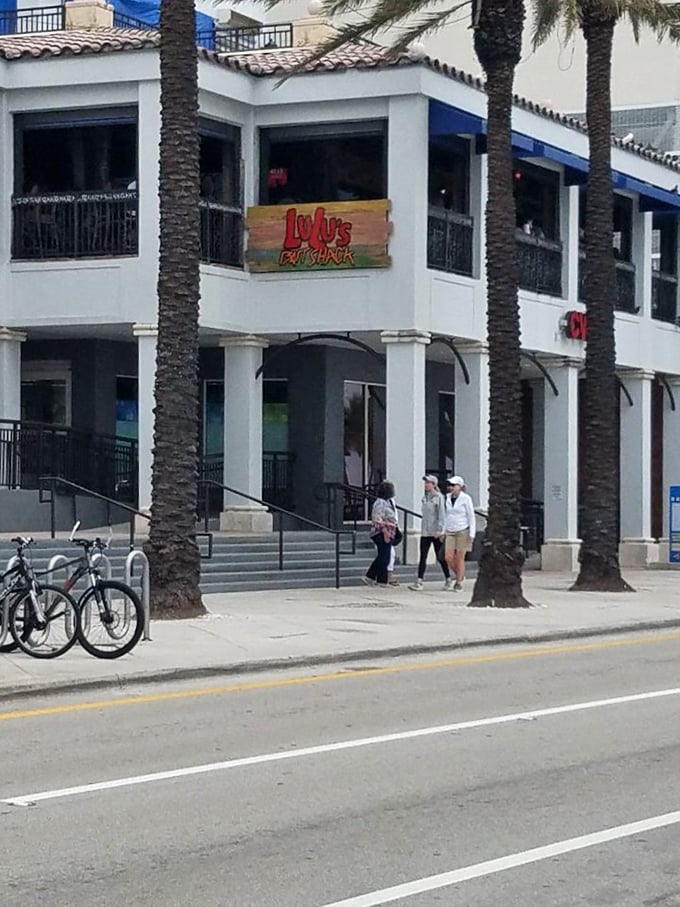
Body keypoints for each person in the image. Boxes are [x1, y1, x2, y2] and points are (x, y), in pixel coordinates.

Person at [409, 475, 452, 591]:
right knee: (423, 556)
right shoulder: (425, 498)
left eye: (428, 483)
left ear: (434, 484)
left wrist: (440, 530)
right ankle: (419, 581)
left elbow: (442, 515)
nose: (426, 485)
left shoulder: (438, 498)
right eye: (425, 482)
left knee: (440, 557)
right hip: (425, 532)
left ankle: (448, 578)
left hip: (435, 532)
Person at [443, 476, 476, 592]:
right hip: (450, 531)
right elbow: (446, 515)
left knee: (460, 557)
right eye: (450, 485)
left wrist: (472, 534)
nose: (451, 488)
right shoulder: (447, 498)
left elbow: (471, 516)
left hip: (462, 530)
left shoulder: (466, 499)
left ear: (460, 487)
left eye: (454, 485)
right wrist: (444, 530)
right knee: (448, 557)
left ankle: (458, 582)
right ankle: (459, 574)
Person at [363, 480, 398, 587]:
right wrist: (385, 532)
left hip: (390, 531)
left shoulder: (389, 502)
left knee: (383, 556)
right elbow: (377, 519)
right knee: (384, 556)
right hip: (381, 532)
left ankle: (373, 577)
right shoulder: (380, 503)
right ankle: (379, 579)